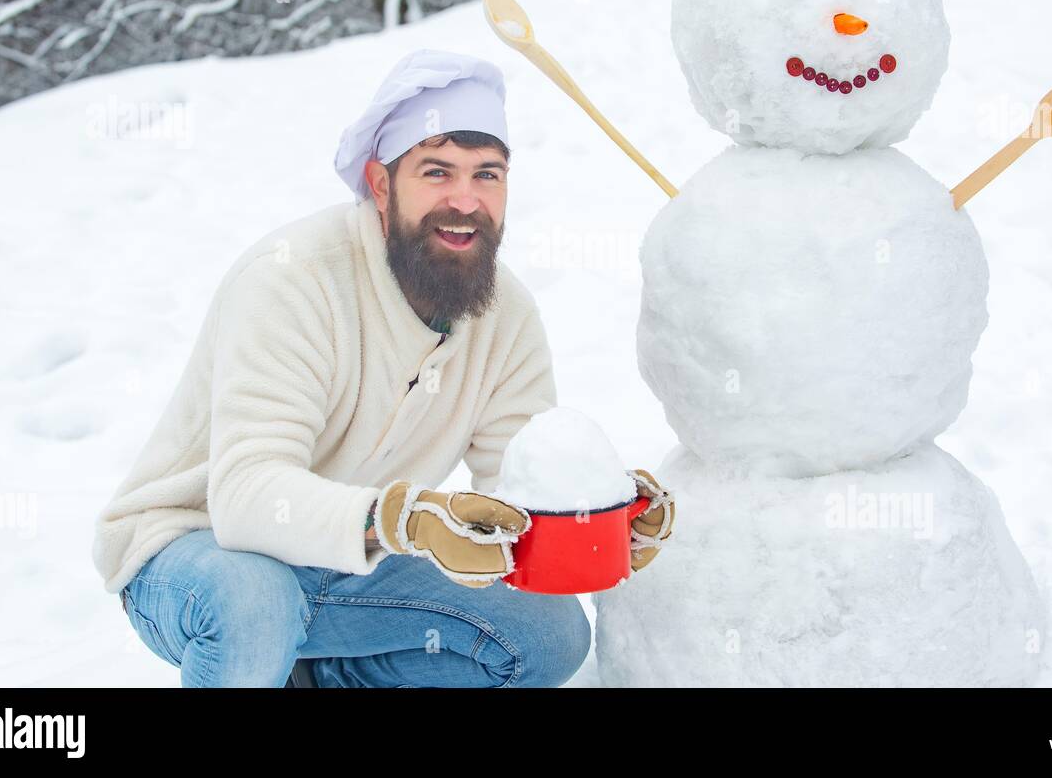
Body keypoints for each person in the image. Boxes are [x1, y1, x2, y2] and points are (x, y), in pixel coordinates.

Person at [91, 48, 675, 687]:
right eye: (436, 171)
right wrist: (404, 519)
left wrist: (600, 518)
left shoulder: (507, 317)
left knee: (546, 634)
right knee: (254, 604)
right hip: (200, 552)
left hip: (352, 566)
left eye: (487, 174)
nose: (465, 199)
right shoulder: (296, 281)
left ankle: (313, 678)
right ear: (380, 184)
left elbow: (516, 494)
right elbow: (245, 497)